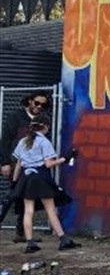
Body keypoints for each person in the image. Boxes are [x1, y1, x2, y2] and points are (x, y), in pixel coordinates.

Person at [15, 117, 80, 253]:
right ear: (44, 126)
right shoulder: (44, 142)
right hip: (40, 177)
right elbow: (48, 164)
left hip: (26, 178)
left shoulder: (23, 141)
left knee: (28, 211)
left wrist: (15, 181)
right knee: (50, 209)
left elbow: (19, 164)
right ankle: (63, 239)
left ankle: (30, 243)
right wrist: (65, 158)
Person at [0, 92, 50, 242]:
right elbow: (5, 139)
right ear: (29, 101)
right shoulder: (16, 117)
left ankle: (21, 233)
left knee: (25, 197)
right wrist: (5, 162)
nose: (39, 107)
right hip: (17, 163)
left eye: (43, 105)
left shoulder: (41, 119)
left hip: (33, 165)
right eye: (37, 103)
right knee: (13, 195)